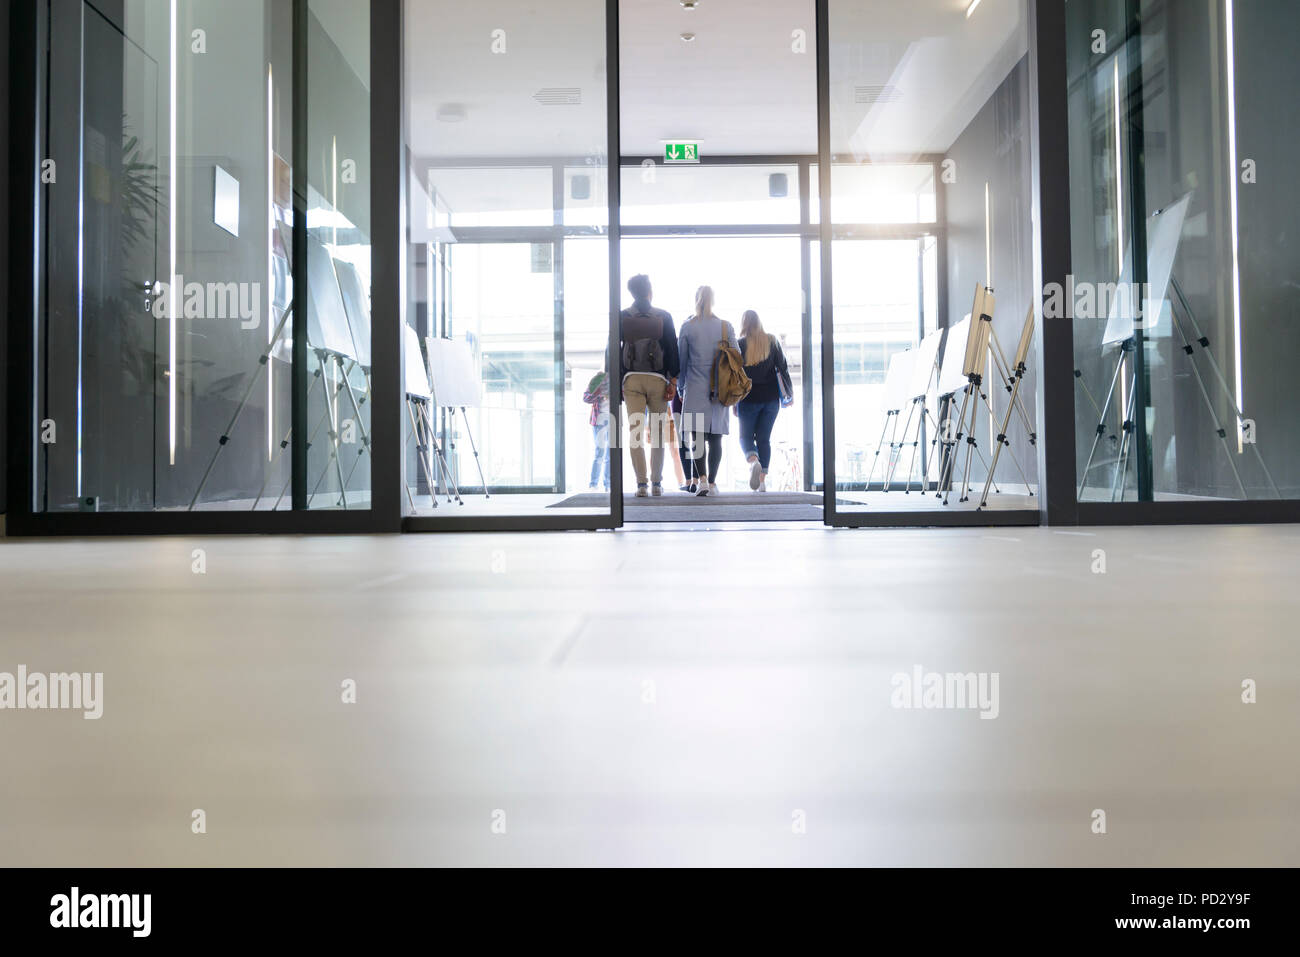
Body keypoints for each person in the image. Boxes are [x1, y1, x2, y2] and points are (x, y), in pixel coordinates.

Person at [619, 274, 679, 497]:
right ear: (649, 291)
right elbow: (673, 350)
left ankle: (641, 485)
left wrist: (618, 382)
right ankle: (656, 484)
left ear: (631, 292)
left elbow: (612, 351)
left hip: (632, 379)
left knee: (635, 433)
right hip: (658, 380)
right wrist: (672, 381)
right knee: (657, 433)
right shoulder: (663, 316)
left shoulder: (623, 316)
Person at [677, 285, 739, 496]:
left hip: (694, 386)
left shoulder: (687, 327)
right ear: (713, 300)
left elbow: (682, 362)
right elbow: (737, 357)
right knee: (716, 438)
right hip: (719, 387)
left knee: (697, 437)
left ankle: (701, 480)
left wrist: (680, 386)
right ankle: (712, 483)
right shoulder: (725, 326)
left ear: (696, 300)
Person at [735, 310, 789, 492]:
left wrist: (734, 403)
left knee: (745, 437)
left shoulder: (740, 344)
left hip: (748, 398)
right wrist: (789, 394)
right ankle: (762, 482)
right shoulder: (772, 341)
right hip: (771, 399)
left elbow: (735, 376)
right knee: (764, 439)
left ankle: (753, 461)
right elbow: (783, 367)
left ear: (744, 324)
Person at [582, 370, 610, 491]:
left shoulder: (617, 380)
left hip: (613, 420)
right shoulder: (597, 380)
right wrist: (599, 394)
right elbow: (586, 398)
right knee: (599, 453)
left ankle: (608, 485)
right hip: (598, 420)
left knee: (611, 454)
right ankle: (593, 484)